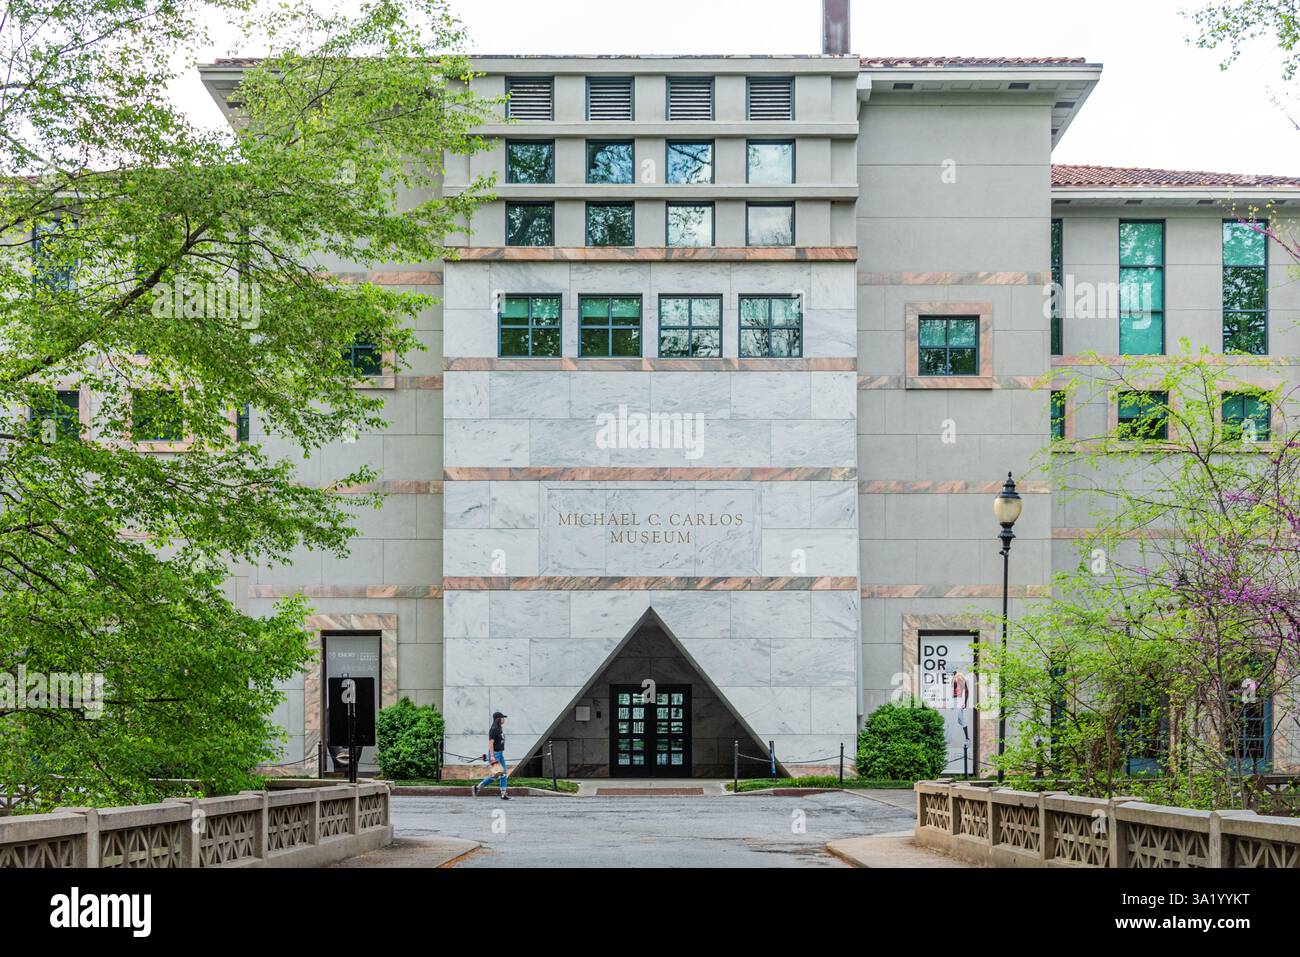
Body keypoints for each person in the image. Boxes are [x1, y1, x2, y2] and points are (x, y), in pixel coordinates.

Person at [472, 712, 510, 800]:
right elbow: (491, 743)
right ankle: (477, 787)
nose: (503, 719)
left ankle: (503, 794)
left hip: (500, 754)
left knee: (503, 774)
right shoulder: (494, 729)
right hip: (495, 754)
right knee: (496, 775)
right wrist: (492, 756)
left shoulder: (499, 728)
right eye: (502, 718)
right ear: (498, 719)